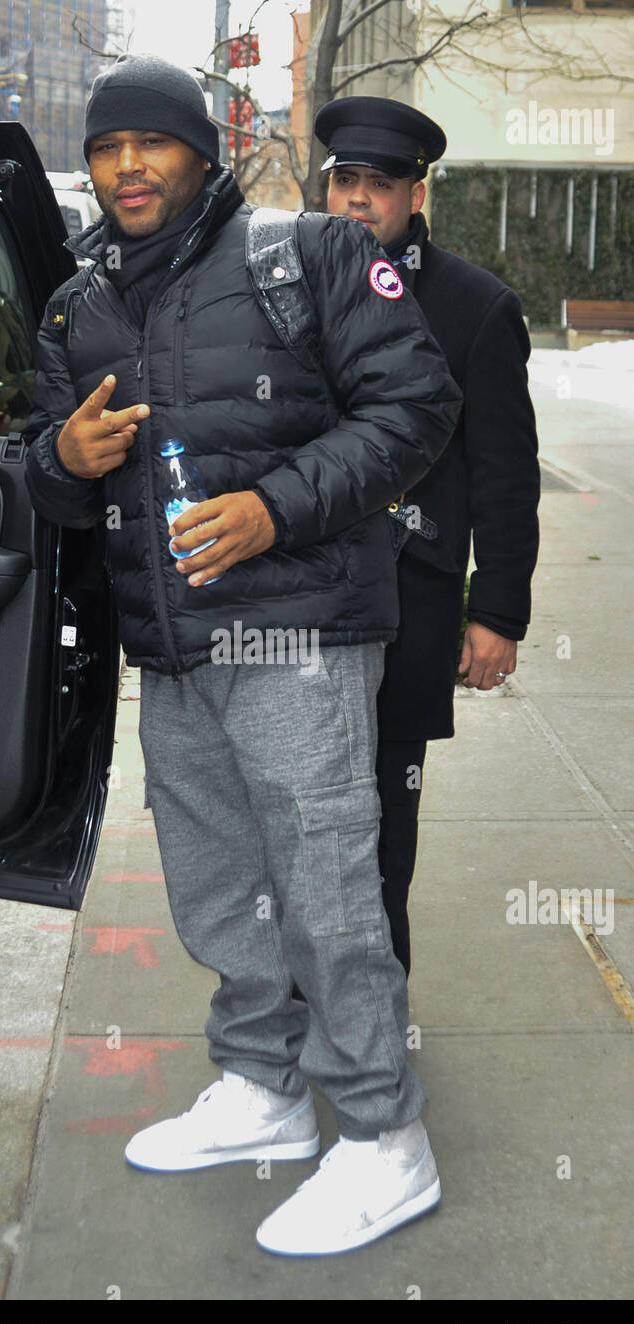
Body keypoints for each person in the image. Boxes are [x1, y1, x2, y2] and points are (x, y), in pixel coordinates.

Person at [23, 55, 462, 1257]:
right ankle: (263, 1087)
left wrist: (274, 506)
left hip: (301, 636)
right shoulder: (78, 307)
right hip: (171, 652)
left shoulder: (304, 256)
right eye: (107, 149)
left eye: (149, 144)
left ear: (200, 152)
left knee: (325, 892)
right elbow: (43, 481)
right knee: (220, 889)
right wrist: (65, 454)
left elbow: (416, 408)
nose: (125, 167)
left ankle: (384, 1138)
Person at [316, 96, 541, 979]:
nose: (358, 200)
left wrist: (498, 612)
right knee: (293, 809)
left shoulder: (475, 307)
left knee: (381, 813)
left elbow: (505, 473)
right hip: (297, 597)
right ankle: (294, 1003)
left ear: (418, 194)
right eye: (345, 181)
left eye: (380, 184)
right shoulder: (286, 283)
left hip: (410, 600)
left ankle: (373, 1013)